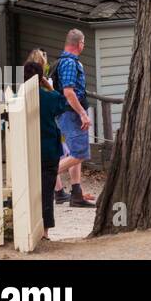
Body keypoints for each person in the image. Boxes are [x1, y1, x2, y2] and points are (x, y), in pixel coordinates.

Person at [25, 58, 70, 240]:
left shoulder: (20, 97)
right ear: (41, 78)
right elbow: (62, 102)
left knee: (27, 190)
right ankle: (44, 230)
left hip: (27, 150)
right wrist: (49, 87)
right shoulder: (49, 98)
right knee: (46, 191)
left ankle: (27, 226)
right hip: (49, 150)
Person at [54, 29, 95, 208]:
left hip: (68, 114)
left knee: (74, 153)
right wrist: (83, 113)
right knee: (80, 153)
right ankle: (44, 176)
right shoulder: (70, 63)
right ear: (79, 44)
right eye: (84, 42)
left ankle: (76, 194)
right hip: (70, 114)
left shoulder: (64, 61)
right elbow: (69, 92)